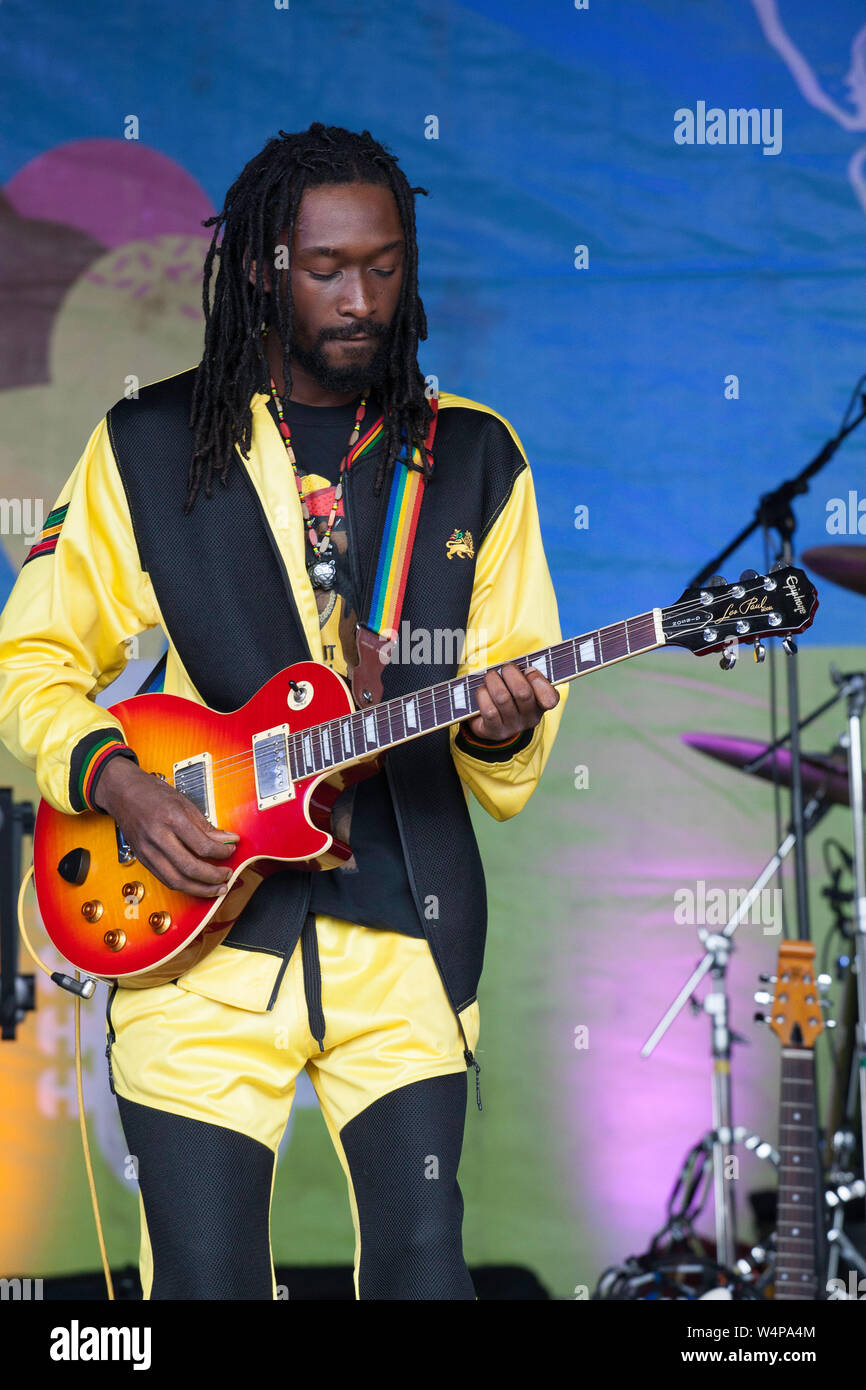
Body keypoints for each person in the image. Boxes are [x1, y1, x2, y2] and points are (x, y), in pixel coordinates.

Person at [0, 122, 568, 1300]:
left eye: (384, 264)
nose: (360, 298)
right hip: (192, 941)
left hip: (405, 933)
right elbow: (34, 657)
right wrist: (118, 781)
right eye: (326, 269)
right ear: (262, 264)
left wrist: (504, 721)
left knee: (425, 1276)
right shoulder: (152, 444)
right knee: (200, 1286)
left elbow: (509, 707)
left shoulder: (471, 456)